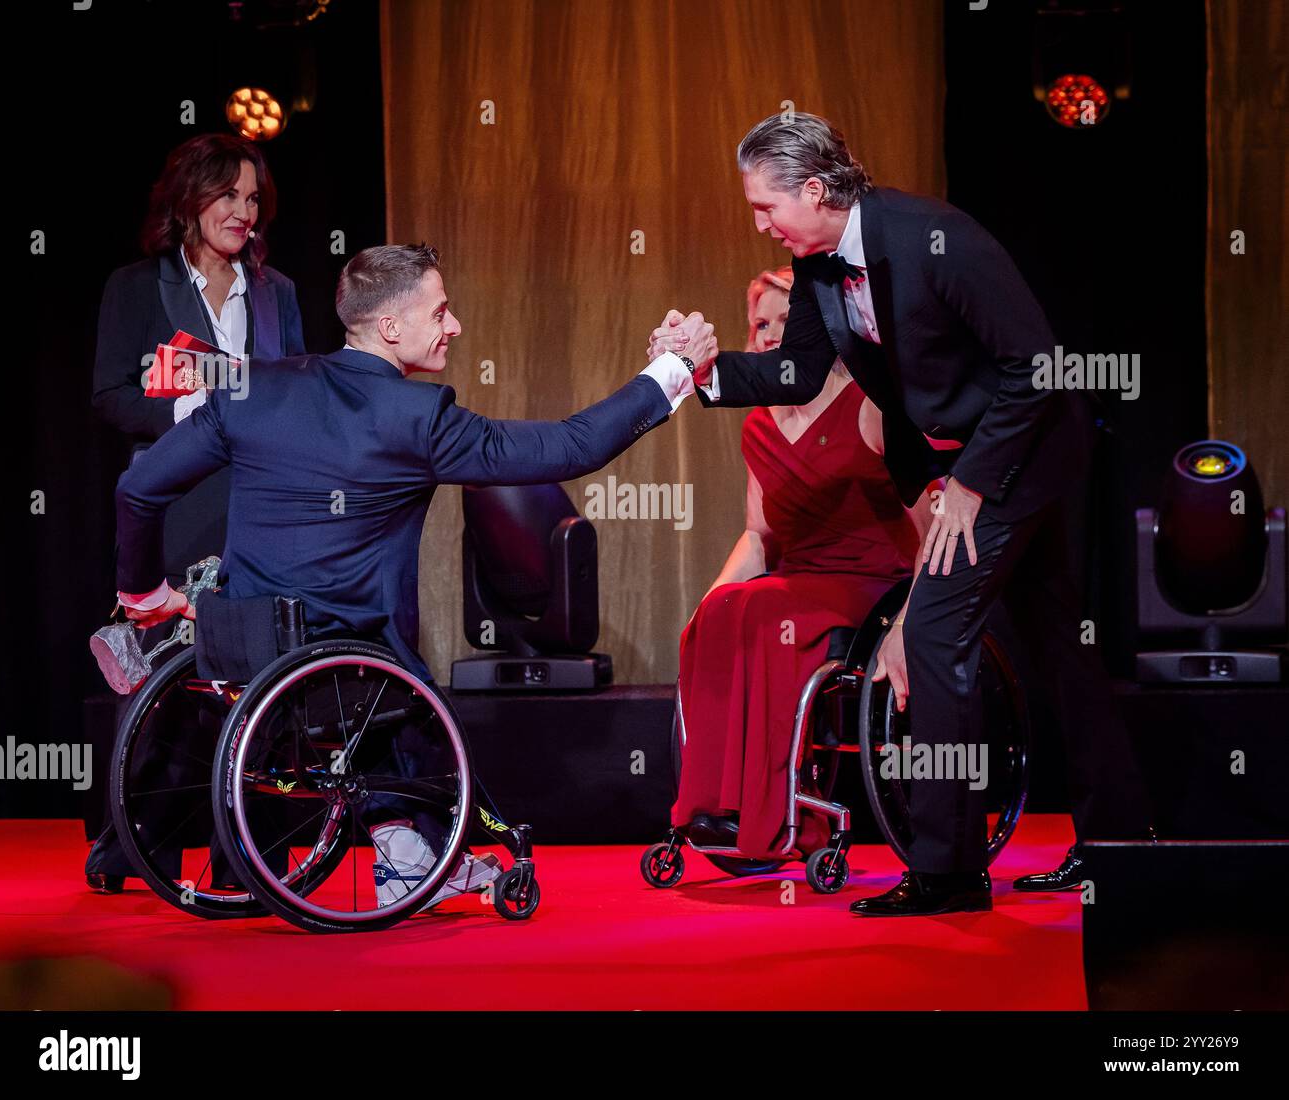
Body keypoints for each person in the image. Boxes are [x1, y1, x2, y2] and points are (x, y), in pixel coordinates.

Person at [651, 112, 1155, 916]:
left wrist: (970, 483)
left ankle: (950, 872)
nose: (757, 223)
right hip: (956, 458)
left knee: (931, 634)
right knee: (1058, 645)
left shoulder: (933, 238)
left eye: (763, 206)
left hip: (1019, 452)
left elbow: (1037, 367)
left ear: (813, 190)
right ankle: (1125, 847)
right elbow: (793, 371)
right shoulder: (815, 265)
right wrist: (692, 371)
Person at [112, 242, 706, 909]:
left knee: (362, 676)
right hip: (356, 673)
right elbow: (571, 446)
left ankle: (403, 844)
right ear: (391, 327)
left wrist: (143, 593)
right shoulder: (418, 418)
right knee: (394, 689)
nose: (453, 327)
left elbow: (139, 491)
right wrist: (673, 370)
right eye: (442, 310)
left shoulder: (254, 388)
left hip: (243, 654)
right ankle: (417, 842)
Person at [85, 133, 306, 893]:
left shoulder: (276, 293)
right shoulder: (135, 285)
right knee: (164, 688)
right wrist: (191, 406)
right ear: (188, 198)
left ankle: (250, 852)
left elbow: (293, 395)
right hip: (172, 507)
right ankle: (133, 846)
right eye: (228, 196)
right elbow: (111, 396)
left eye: (252, 199)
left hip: (257, 511)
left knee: (256, 684)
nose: (242, 211)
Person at [670, 266, 942, 859]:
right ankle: (716, 809)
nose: (768, 335)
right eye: (758, 324)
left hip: (874, 586)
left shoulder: (870, 407)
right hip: (798, 582)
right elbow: (758, 536)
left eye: (784, 320)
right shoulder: (758, 426)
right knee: (722, 612)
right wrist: (709, 602)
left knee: (764, 610)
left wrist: (911, 622)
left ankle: (778, 817)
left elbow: (930, 531)